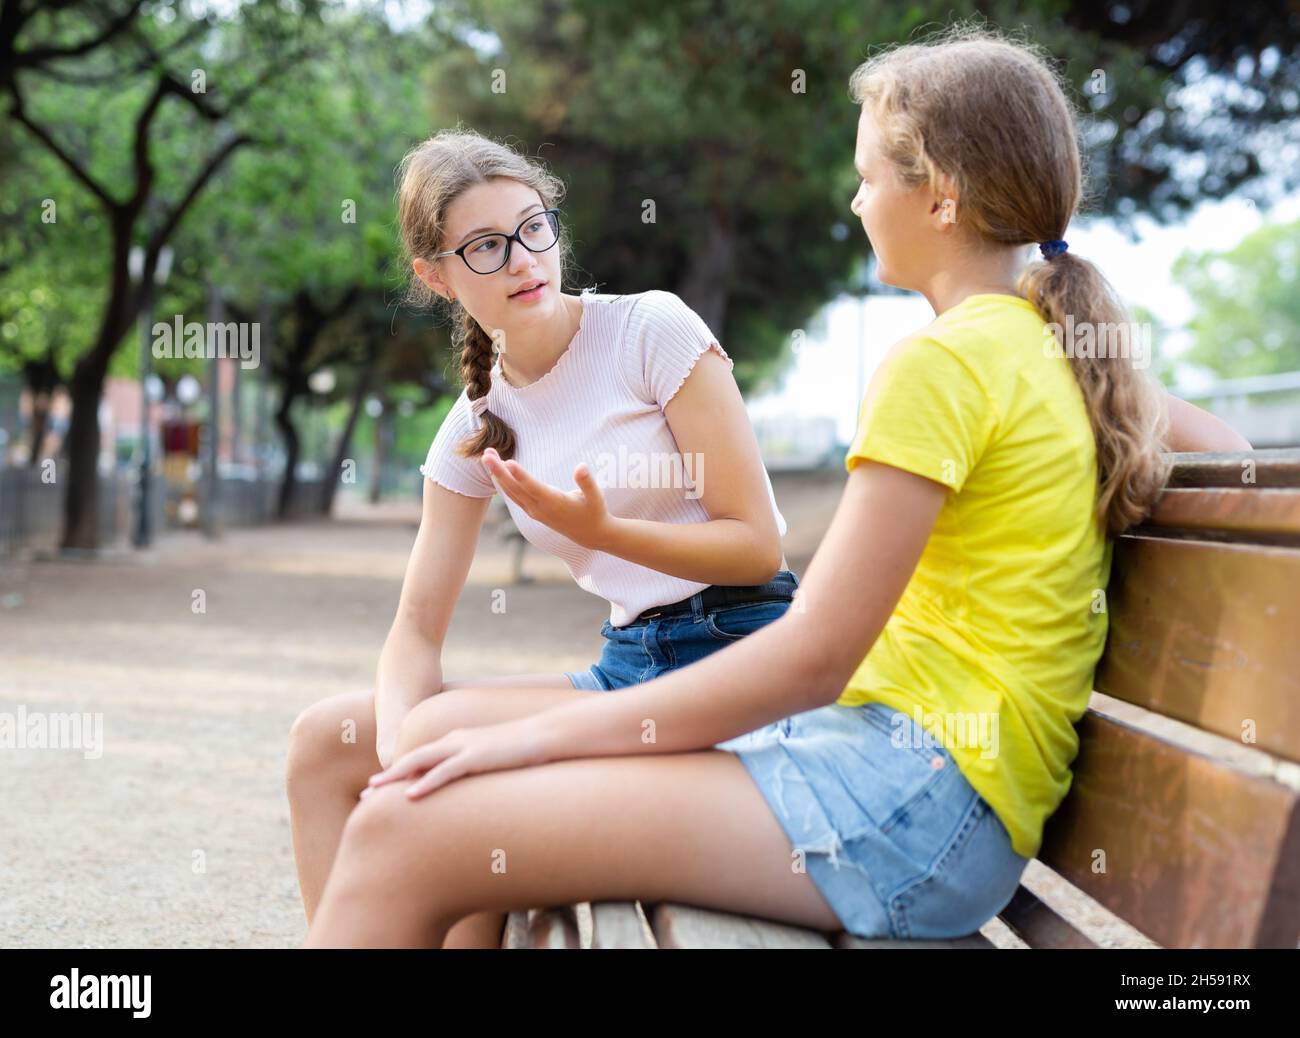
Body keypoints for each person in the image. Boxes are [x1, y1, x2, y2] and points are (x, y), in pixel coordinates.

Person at [303, 27, 1251, 948]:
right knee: (425, 807)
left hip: (908, 805)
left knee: (405, 827)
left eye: (870, 176)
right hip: (912, 786)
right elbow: (1231, 453)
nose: (854, 201)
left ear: (942, 198)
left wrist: (538, 738)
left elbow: (811, 659)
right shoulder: (1054, 349)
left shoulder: (943, 366)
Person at [286, 129, 800, 947]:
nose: (523, 259)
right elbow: (415, 632)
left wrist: (606, 533)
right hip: (627, 666)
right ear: (436, 275)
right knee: (325, 742)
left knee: (442, 770)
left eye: (533, 227)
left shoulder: (650, 331)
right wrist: (400, 746)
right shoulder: (470, 429)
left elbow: (757, 548)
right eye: (485, 247)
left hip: (738, 652)